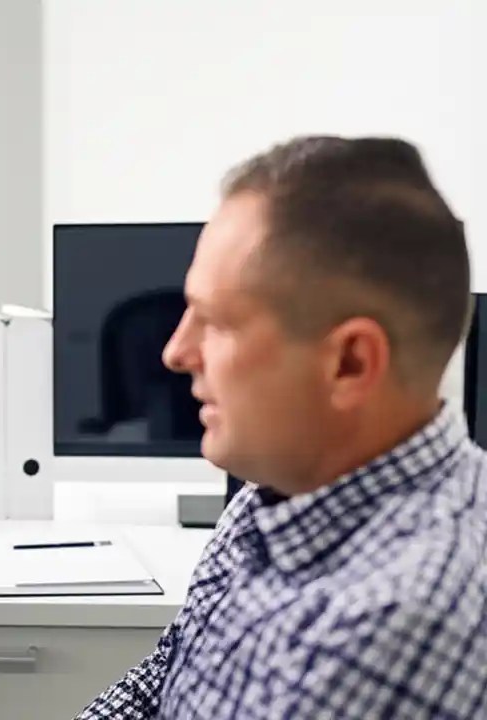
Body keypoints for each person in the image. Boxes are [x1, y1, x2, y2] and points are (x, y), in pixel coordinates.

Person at [78, 136, 487, 718]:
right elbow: (162, 681)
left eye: (216, 322)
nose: (174, 351)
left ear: (349, 363)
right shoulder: (277, 492)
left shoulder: (397, 616)